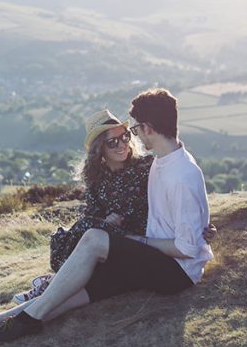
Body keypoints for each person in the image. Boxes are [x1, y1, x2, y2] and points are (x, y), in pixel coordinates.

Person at [0, 88, 214, 344]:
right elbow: (184, 217)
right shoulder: (161, 161)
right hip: (153, 255)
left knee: (94, 240)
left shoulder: (180, 175)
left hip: (176, 272)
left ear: (147, 128)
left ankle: (27, 321)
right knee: (83, 288)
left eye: (132, 131)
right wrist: (195, 224)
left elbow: (187, 247)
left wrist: (139, 240)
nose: (131, 139)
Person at [12, 109, 153, 304]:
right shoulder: (97, 178)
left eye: (125, 137)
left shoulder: (146, 167)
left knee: (85, 228)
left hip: (139, 239)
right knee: (85, 228)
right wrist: (106, 222)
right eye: (113, 142)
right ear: (99, 148)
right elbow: (93, 215)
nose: (122, 145)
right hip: (108, 242)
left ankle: (52, 284)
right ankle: (54, 285)